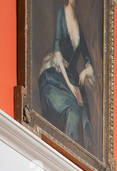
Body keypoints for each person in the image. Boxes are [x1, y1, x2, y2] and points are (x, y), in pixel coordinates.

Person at [36, 0, 97, 148]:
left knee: (84, 117)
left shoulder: (79, 24)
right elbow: (57, 52)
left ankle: (79, 161)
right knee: (72, 110)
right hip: (55, 74)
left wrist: (85, 71)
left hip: (70, 75)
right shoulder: (61, 14)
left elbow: (87, 57)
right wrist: (71, 87)